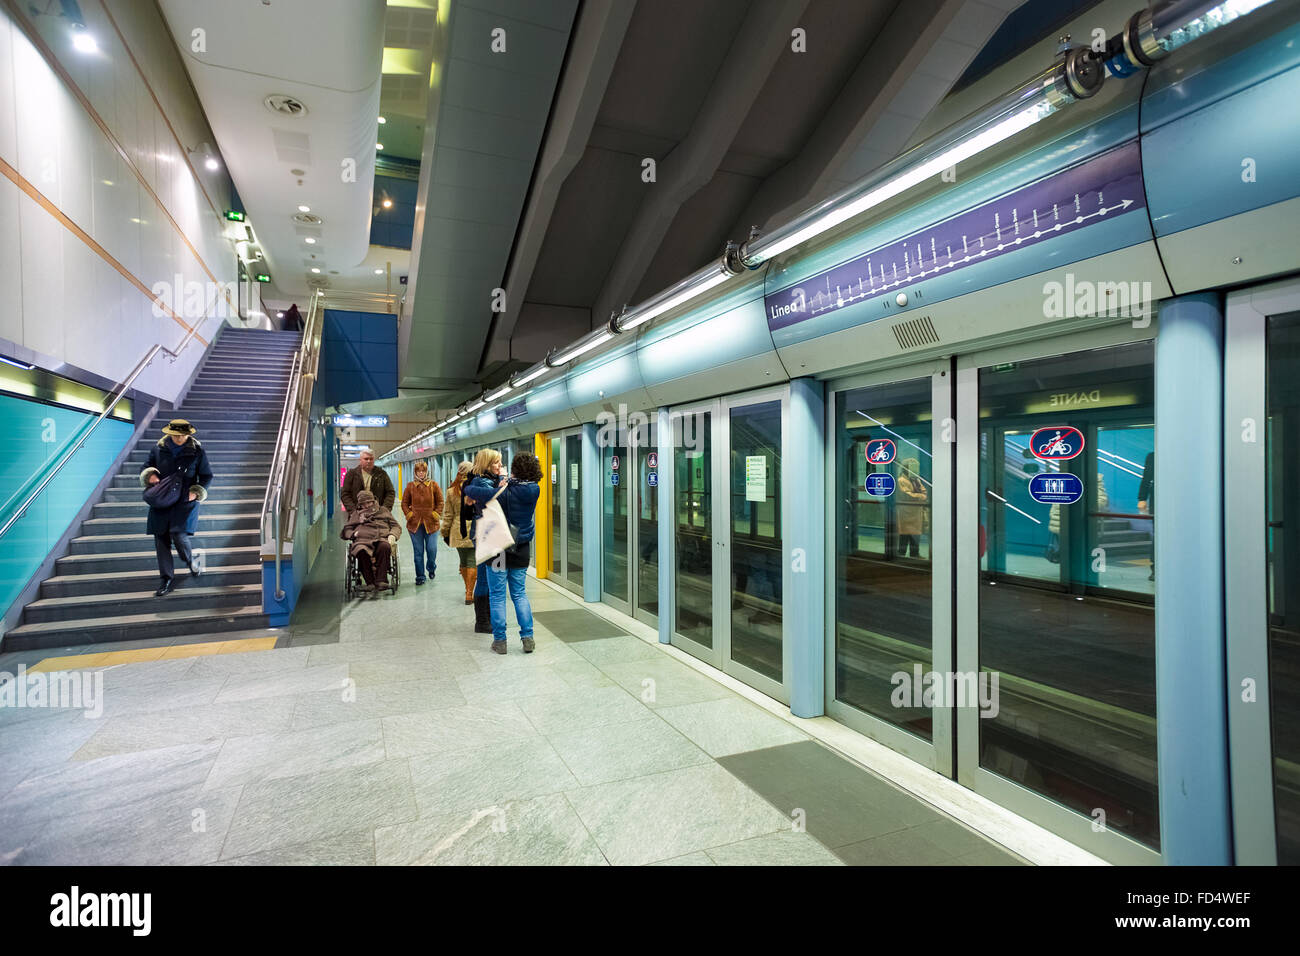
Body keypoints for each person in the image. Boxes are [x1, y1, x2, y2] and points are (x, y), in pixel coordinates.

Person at [466, 451, 541, 655]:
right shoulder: (535, 489)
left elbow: (471, 489)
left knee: (498, 595)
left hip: (498, 547)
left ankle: (500, 641)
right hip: (521, 548)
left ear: (515, 468)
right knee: (519, 593)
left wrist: (502, 479)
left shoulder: (503, 490)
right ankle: (528, 638)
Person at [139, 419, 212, 597]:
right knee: (161, 538)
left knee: (179, 536)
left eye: (183, 435)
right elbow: (146, 467)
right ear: (169, 434)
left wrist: (196, 492)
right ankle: (166, 578)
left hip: (184, 499)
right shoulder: (159, 448)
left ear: (189, 434)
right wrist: (150, 476)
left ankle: (190, 561)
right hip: (163, 498)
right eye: (176, 435)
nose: (179, 438)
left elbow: (206, 475)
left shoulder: (197, 451)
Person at [463, 449, 502, 636]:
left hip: (488, 531)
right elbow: (493, 499)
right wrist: (502, 486)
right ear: (487, 464)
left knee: (487, 576)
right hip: (485, 532)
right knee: (485, 578)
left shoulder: (488, 480)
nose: (500, 466)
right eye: (496, 463)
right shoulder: (481, 482)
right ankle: (483, 621)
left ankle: (485, 620)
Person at [341, 489, 401, 592]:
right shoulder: (357, 514)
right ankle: (370, 582)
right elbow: (347, 529)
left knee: (385, 547)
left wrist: (392, 535)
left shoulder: (383, 511)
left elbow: (396, 526)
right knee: (360, 551)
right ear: (360, 504)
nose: (367, 505)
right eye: (364, 504)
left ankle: (381, 580)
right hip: (362, 540)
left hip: (381, 537)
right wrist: (353, 534)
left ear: (373, 501)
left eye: (369, 502)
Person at [440, 461, 477, 604]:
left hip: (457, 530)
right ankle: (469, 592)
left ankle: (467, 588)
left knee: (463, 561)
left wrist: (445, 532)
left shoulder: (451, 491)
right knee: (472, 561)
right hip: (475, 528)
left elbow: (448, 515)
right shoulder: (476, 489)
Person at [401, 461, 443, 585]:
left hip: (432, 524)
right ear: (415, 472)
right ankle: (420, 576)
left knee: (432, 549)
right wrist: (409, 514)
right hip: (414, 525)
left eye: (423, 471)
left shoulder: (434, 485)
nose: (421, 473)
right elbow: (404, 503)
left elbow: (440, 502)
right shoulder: (410, 486)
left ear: (427, 472)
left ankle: (431, 567)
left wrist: (436, 513)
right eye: (419, 471)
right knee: (418, 552)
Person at [341, 449, 395, 513]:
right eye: (366, 459)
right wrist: (353, 511)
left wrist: (385, 509)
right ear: (360, 460)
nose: (369, 461)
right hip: (357, 513)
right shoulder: (352, 474)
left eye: (371, 459)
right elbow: (345, 494)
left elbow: (390, 492)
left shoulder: (381, 474)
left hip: (378, 513)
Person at [895, 457, 927, 558]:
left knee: (915, 534)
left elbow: (924, 492)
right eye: (912, 468)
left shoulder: (916, 480)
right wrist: (920, 497)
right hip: (905, 512)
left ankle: (915, 554)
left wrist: (920, 496)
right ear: (905, 468)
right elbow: (906, 495)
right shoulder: (901, 480)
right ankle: (901, 553)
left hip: (916, 513)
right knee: (904, 535)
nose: (915, 470)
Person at [1137, 451, 1154, 581]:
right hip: (1157, 499)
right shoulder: (1153, 456)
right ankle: (1155, 568)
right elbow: (1146, 478)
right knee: (1158, 535)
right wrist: (1142, 498)